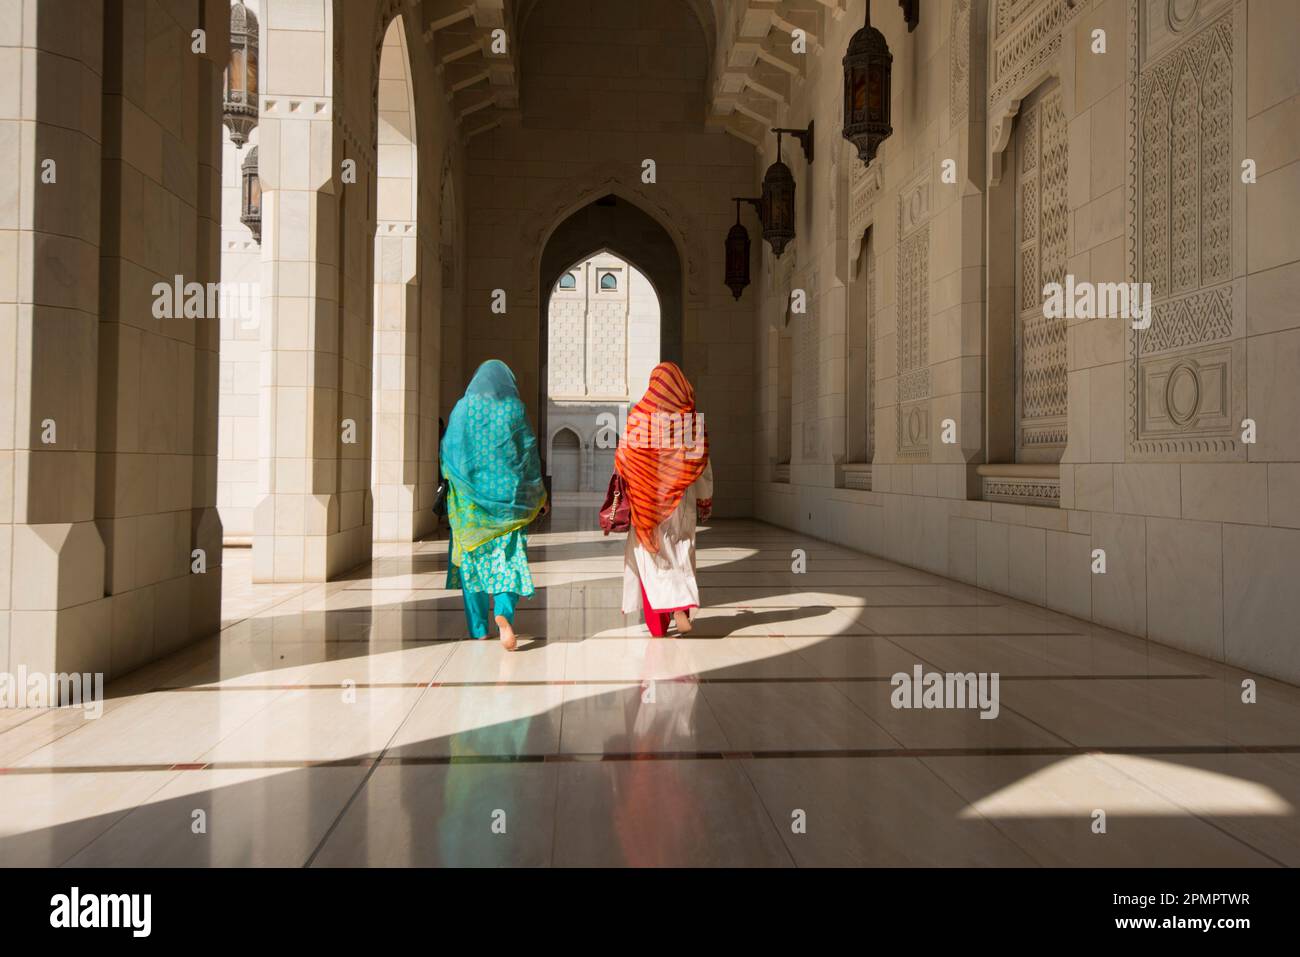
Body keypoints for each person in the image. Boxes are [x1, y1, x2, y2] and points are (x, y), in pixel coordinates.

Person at [440, 360, 548, 650]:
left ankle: (478, 628)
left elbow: (447, 453)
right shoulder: (514, 409)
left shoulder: (462, 409)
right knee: (508, 559)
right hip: (507, 504)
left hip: (469, 507)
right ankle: (503, 610)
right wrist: (538, 493)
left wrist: (460, 483)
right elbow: (527, 455)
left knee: (472, 562)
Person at [616, 361, 713, 636]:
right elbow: (702, 467)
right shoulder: (691, 421)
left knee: (651, 558)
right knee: (680, 553)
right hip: (681, 501)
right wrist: (705, 499)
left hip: (646, 502)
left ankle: (657, 626)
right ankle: (680, 604)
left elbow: (623, 458)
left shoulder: (639, 418)